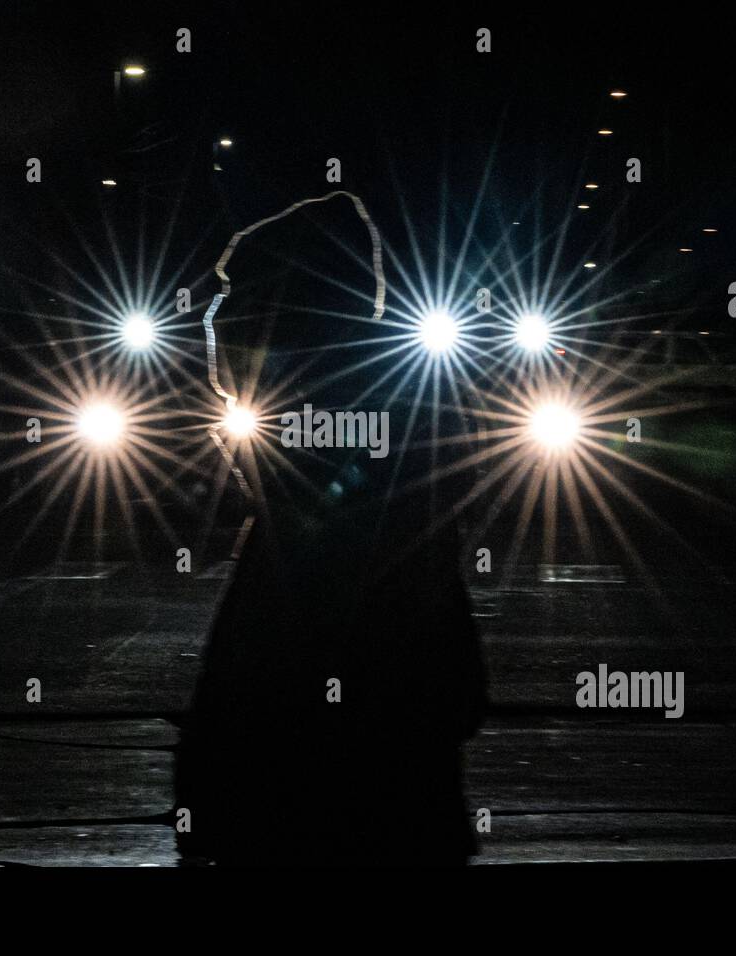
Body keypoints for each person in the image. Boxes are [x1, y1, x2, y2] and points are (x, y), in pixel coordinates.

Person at [174, 197, 487, 866]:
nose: (216, 316)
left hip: (313, 783)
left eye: (237, 294)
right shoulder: (396, 395)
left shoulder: (308, 416)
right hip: (390, 777)